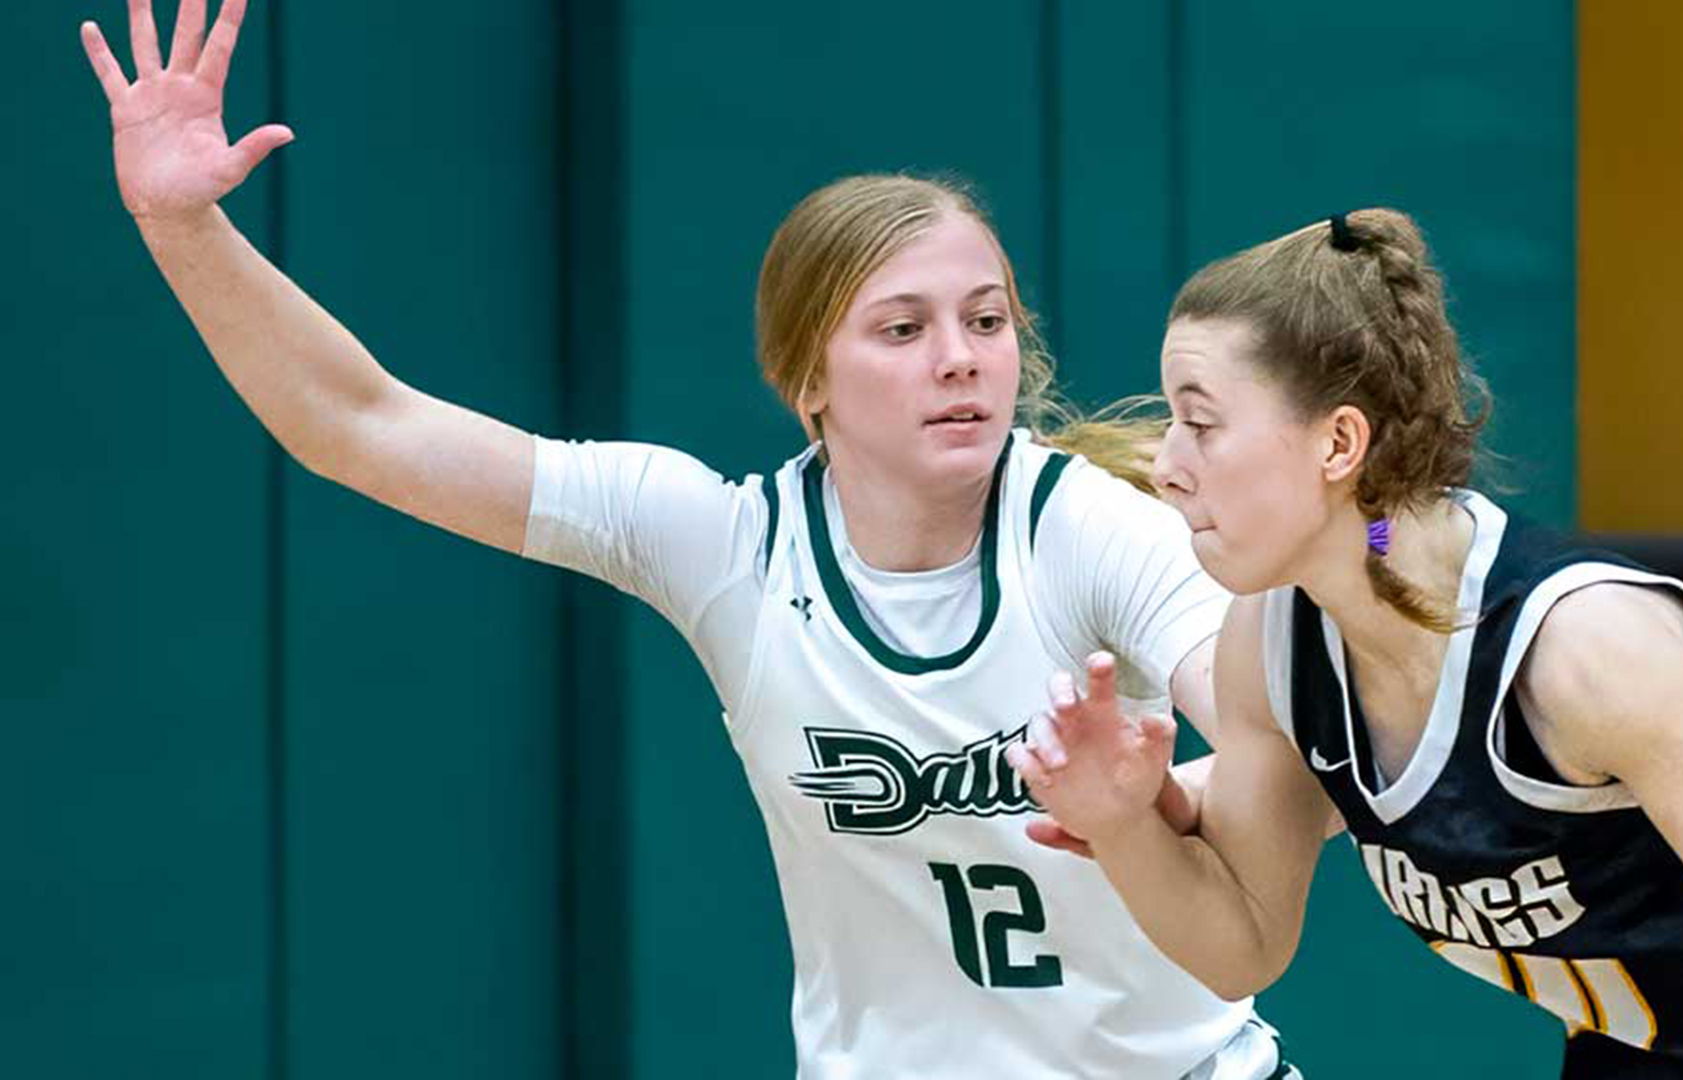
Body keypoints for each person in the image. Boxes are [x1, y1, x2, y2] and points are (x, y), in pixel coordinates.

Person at [78, 1, 1293, 1076]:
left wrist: (1159, 801)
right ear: (806, 376)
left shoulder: (1085, 527)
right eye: (903, 328)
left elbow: (1281, 733)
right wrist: (185, 230)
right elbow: (360, 422)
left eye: (985, 319)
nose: (961, 356)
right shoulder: (725, 542)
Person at [1008, 208, 1683, 1078]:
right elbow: (1241, 944)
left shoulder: (1583, 650)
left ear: (1338, 444)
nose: (1166, 461)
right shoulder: (1272, 645)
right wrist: (1123, 823)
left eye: (1200, 422)